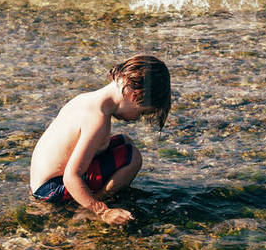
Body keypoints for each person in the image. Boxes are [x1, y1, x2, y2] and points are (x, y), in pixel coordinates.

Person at [29, 54, 171, 225]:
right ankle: (86, 206)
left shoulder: (86, 100)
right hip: (51, 192)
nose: (135, 119)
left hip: (40, 184)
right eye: (141, 112)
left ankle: (88, 199)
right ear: (135, 96)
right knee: (132, 158)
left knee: (124, 141)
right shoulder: (97, 119)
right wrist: (102, 211)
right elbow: (71, 176)